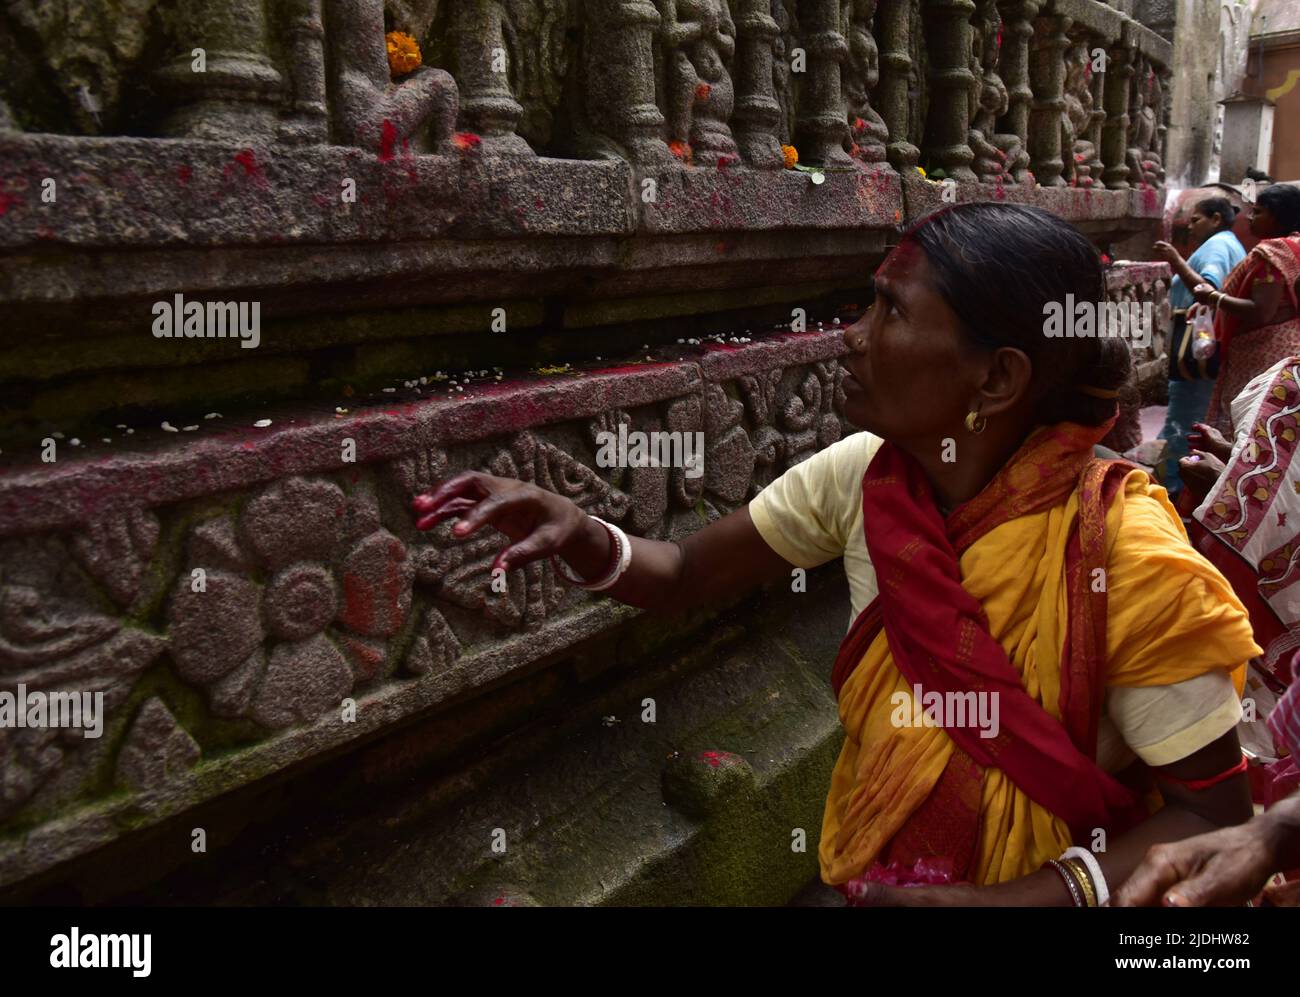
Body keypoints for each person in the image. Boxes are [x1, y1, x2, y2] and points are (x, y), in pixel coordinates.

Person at [413, 203, 1260, 906]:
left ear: (997, 380)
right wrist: (583, 530)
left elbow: (1213, 815)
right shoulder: (864, 479)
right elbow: (684, 573)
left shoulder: (1132, 555)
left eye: (890, 310)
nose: (849, 338)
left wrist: (1019, 900)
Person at [1152, 197, 1245, 499]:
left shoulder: (1217, 246)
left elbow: (1207, 289)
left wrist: (1175, 260)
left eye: (1195, 220)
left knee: (1183, 422)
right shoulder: (1229, 243)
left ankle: (1171, 491)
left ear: (1216, 219)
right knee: (1195, 419)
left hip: (1197, 346)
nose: (1190, 227)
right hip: (1210, 345)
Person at [1201, 184, 1300, 433]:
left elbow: (1261, 310)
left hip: (1262, 351)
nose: (1249, 217)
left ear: (1279, 216)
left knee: (1252, 425)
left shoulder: (1272, 254)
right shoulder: (1294, 247)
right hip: (1288, 343)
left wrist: (1213, 297)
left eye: (1258, 211)